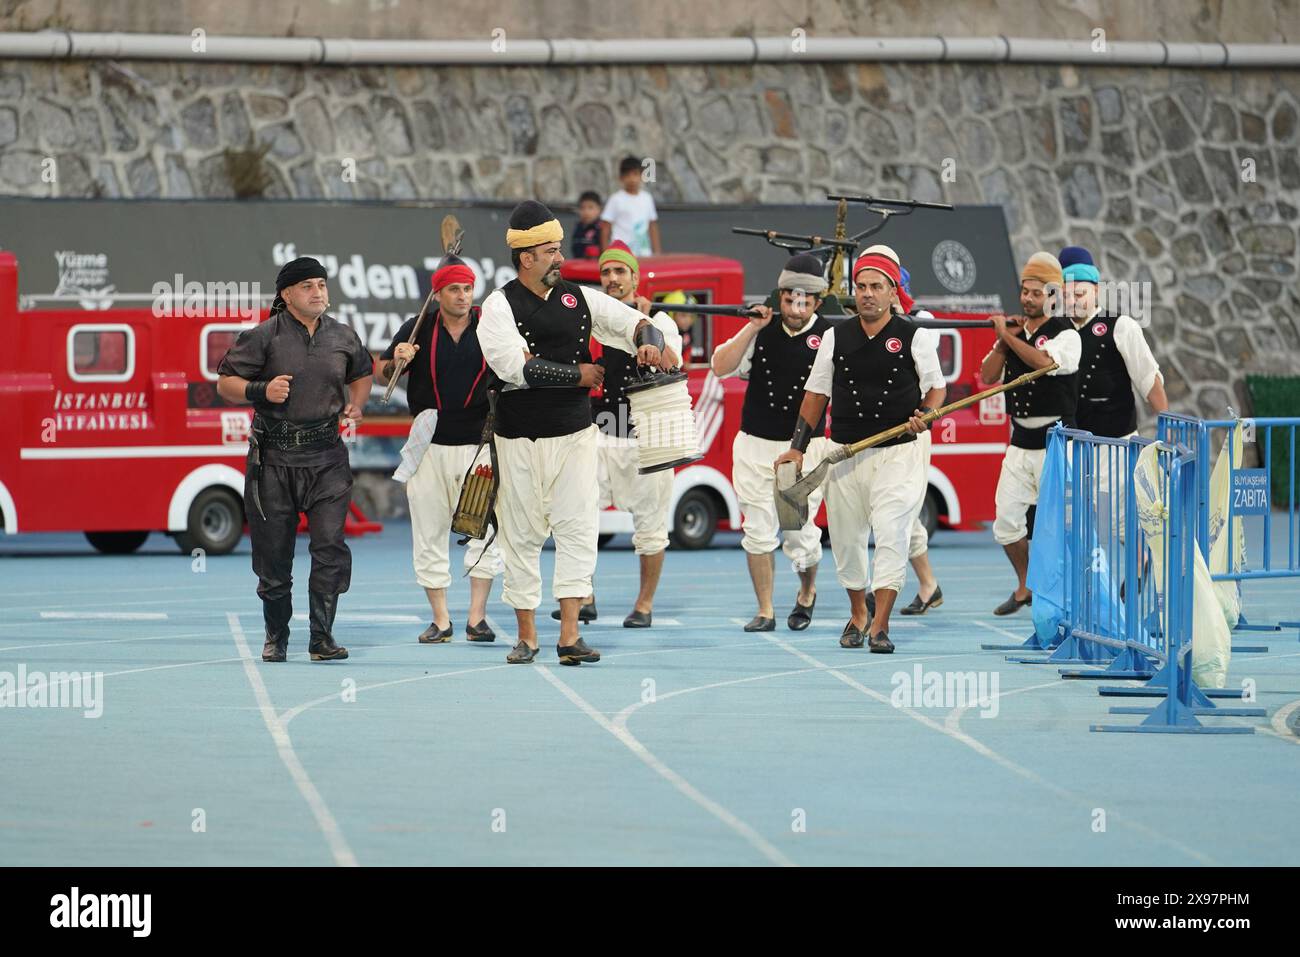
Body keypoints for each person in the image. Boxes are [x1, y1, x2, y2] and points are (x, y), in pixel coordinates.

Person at [476, 200, 667, 665]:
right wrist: (578, 375)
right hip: (517, 440)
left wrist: (648, 341)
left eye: (559, 249)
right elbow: (516, 368)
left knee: (579, 529)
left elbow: (636, 323)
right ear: (526, 257)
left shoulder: (579, 297)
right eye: (551, 251)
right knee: (520, 534)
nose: (561, 258)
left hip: (576, 436)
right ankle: (526, 637)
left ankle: (569, 636)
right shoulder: (498, 306)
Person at [775, 246, 946, 653]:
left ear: (893, 292)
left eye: (876, 286)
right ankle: (858, 613)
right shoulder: (835, 337)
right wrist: (797, 448)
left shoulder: (915, 337)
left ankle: (880, 625)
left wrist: (926, 414)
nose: (867, 293)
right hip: (846, 452)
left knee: (891, 531)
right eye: (861, 286)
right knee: (848, 541)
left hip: (899, 453)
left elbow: (937, 389)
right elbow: (816, 394)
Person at [216, 256, 373, 663]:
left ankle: (322, 638)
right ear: (286, 295)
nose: (318, 292)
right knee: (273, 556)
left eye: (321, 284)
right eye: (308, 286)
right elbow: (225, 384)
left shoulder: (343, 335)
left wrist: (356, 404)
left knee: (330, 549)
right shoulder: (262, 336)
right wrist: (260, 390)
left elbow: (362, 373)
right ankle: (277, 637)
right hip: (273, 460)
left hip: (327, 458)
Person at [548, 241, 683, 627]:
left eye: (619, 271)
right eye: (606, 272)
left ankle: (644, 605)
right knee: (576, 515)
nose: (611, 278)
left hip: (647, 438)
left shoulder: (660, 319)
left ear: (635, 278)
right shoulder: (592, 319)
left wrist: (648, 327)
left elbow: (675, 366)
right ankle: (584, 596)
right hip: (598, 432)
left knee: (651, 527)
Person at [379, 253, 503, 644]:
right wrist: (398, 360)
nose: (463, 295)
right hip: (428, 446)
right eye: (454, 289)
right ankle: (441, 620)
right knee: (428, 532)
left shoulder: (490, 324)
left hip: (480, 445)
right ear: (438, 294)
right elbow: (383, 370)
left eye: (467, 288)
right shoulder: (418, 327)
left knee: (483, 531)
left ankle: (477, 618)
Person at [711, 253, 833, 632]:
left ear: (817, 302)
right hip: (754, 442)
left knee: (800, 536)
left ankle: (807, 592)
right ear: (780, 295)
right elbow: (720, 366)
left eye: (804, 302)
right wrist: (751, 328)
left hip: (804, 448)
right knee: (757, 531)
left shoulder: (830, 335)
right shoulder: (762, 328)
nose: (795, 309)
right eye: (789, 299)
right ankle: (765, 609)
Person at [979, 252, 1081, 616]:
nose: (1027, 299)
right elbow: (987, 376)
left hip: (1057, 443)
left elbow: (1044, 363)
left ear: (1052, 295)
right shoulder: (1015, 333)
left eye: (1036, 293)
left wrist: (1008, 337)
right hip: (1020, 442)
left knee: (1063, 527)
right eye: (1025, 291)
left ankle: (1067, 596)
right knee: (1006, 523)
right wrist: (1003, 341)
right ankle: (1025, 587)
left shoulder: (1067, 333)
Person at [1057, 245, 1168, 435]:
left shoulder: (1122, 326)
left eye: (1079, 294)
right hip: (1071, 444)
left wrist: (1168, 427)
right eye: (1066, 295)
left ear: (1096, 290)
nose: (1072, 301)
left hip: (1118, 443)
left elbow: (1148, 378)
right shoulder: (1055, 330)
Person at [895, 264, 943, 615]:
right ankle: (927, 584)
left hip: (911, 427)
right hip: (873, 430)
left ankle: (920, 584)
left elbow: (917, 347)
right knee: (880, 512)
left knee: (903, 509)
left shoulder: (922, 320)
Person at [599, 156, 661, 257]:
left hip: (644, 254)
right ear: (621, 178)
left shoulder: (647, 198)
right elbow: (605, 228)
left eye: (635, 174)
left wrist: (657, 252)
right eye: (627, 175)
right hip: (621, 254)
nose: (632, 179)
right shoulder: (616, 199)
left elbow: (652, 225)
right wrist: (606, 254)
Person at [570, 191, 603, 260]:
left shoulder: (602, 229)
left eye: (590, 207)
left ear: (599, 209)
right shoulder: (578, 228)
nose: (586, 212)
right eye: (582, 208)